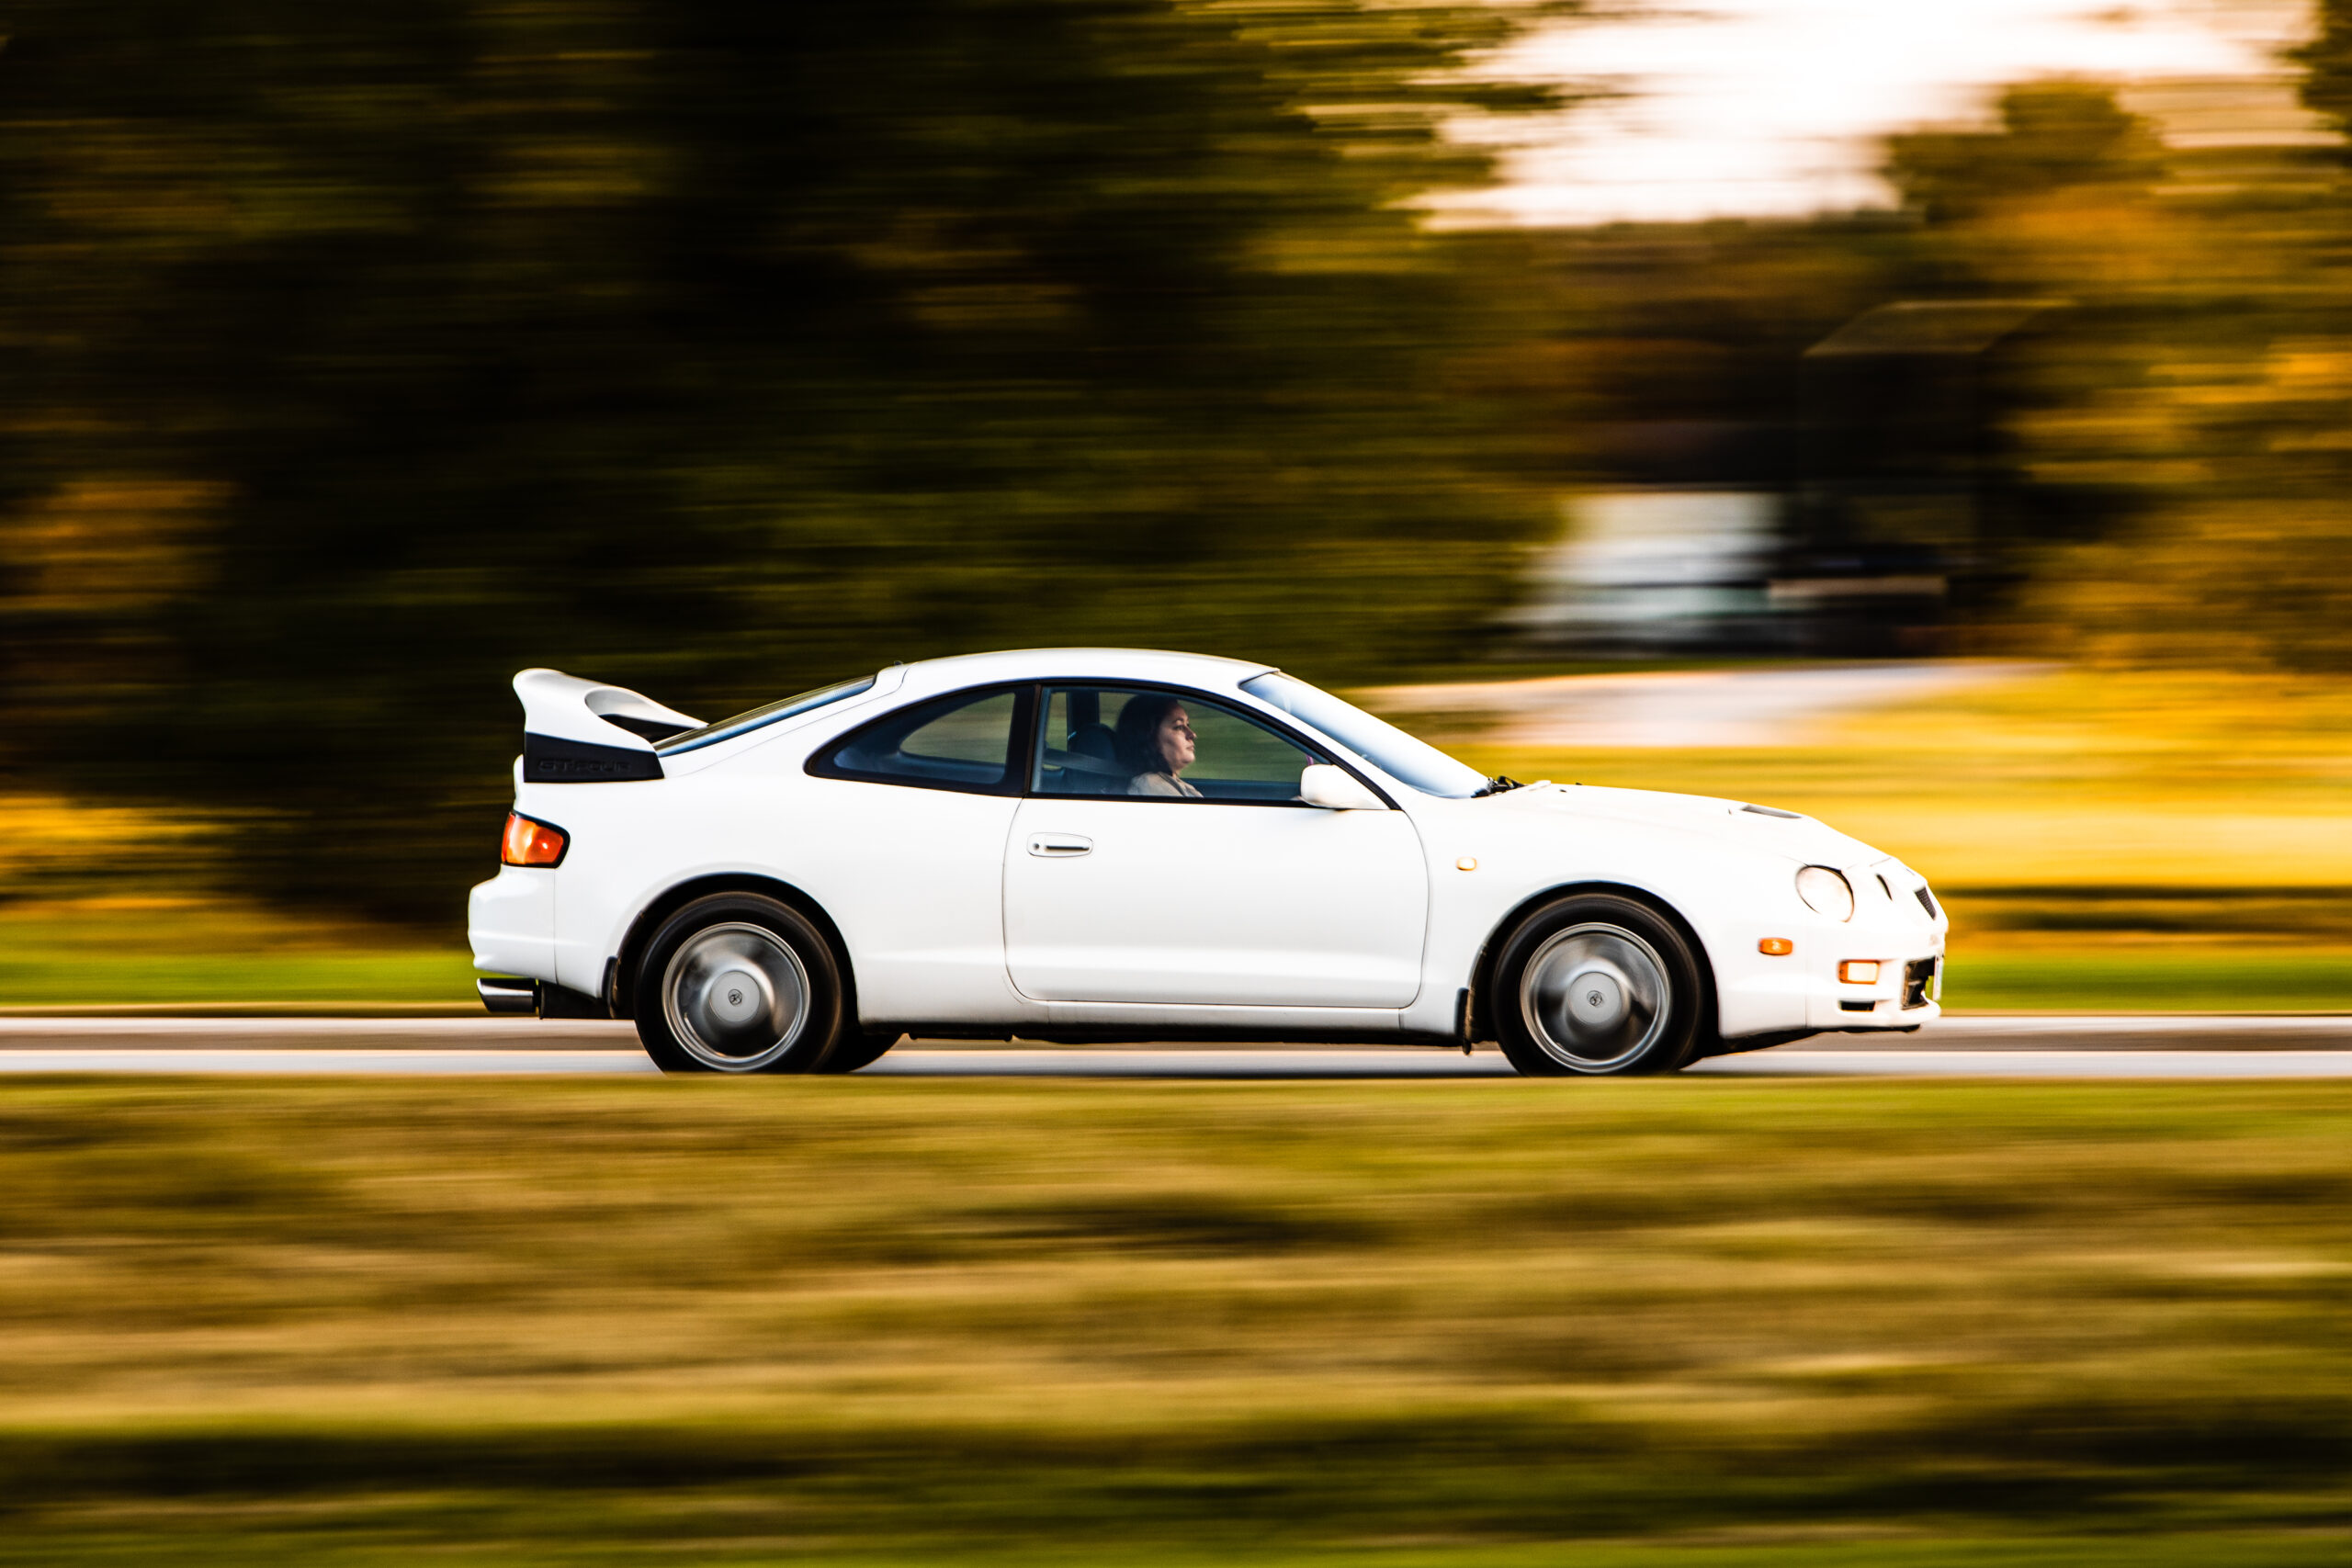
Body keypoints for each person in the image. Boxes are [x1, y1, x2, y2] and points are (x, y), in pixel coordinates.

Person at [1114, 692, 1202, 796]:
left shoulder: (1168, 783)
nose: (1192, 735)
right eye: (1179, 727)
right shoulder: (1150, 785)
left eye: (1187, 724)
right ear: (1150, 738)